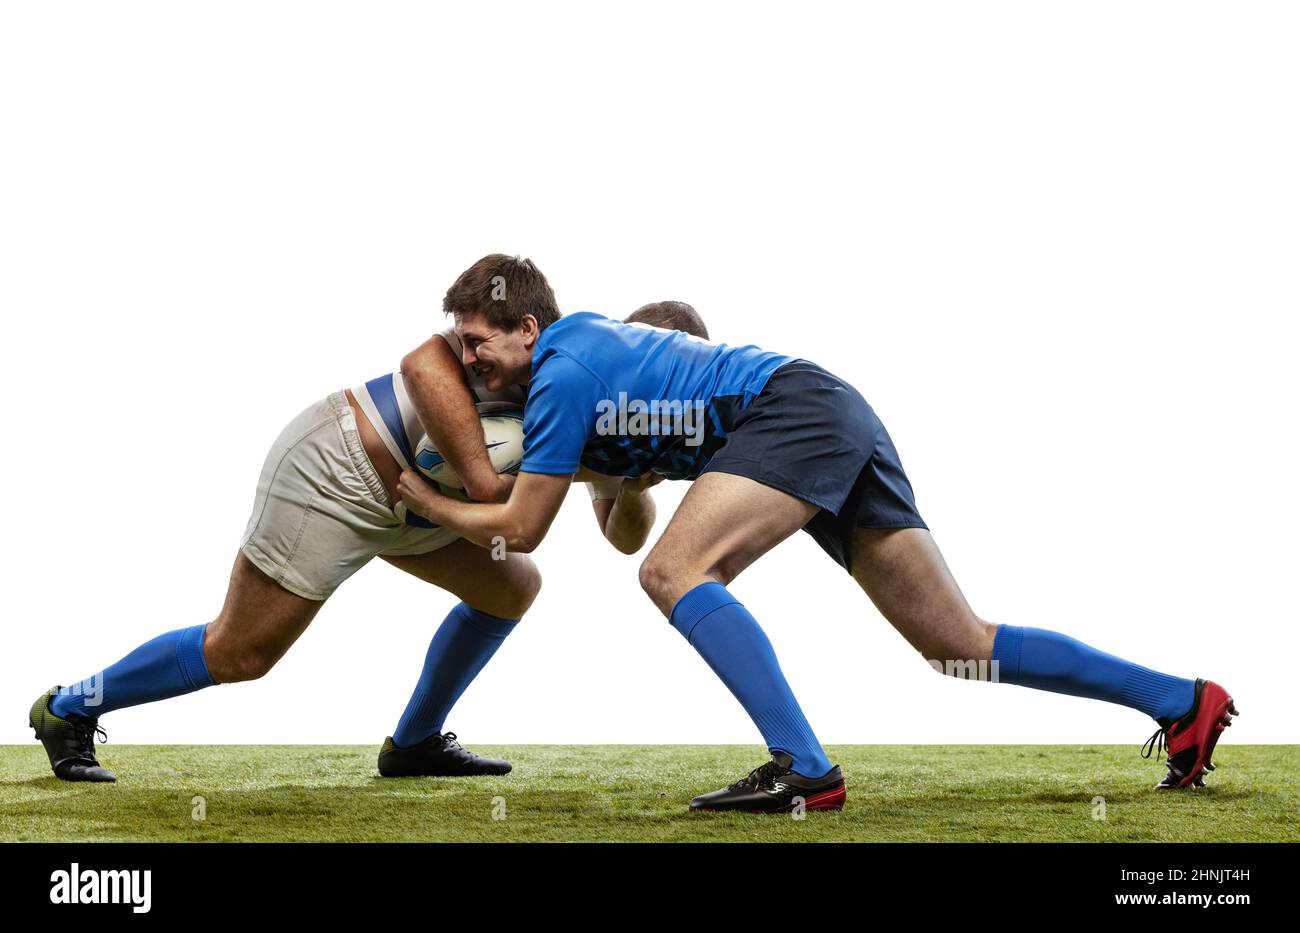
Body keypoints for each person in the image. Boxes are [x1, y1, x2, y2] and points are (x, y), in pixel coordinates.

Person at [397, 275, 1239, 813]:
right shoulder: (603, 389)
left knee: (678, 571)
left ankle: (804, 767)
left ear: (529, 328)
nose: (469, 363)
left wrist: (423, 497)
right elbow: (622, 537)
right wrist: (618, 475)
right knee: (956, 645)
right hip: (832, 411)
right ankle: (1182, 699)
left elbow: (523, 531)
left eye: (478, 343)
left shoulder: (565, 371)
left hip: (793, 409)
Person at [29, 256, 657, 783]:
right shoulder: (481, 354)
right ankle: (70, 707)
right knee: (242, 653)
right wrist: (484, 485)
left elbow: (625, 541)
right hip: (337, 471)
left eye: (474, 342)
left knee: (512, 587)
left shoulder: (598, 398)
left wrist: (630, 478)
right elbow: (420, 364)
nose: (466, 356)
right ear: (531, 327)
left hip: (418, 506)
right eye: (464, 339)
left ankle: (413, 745)